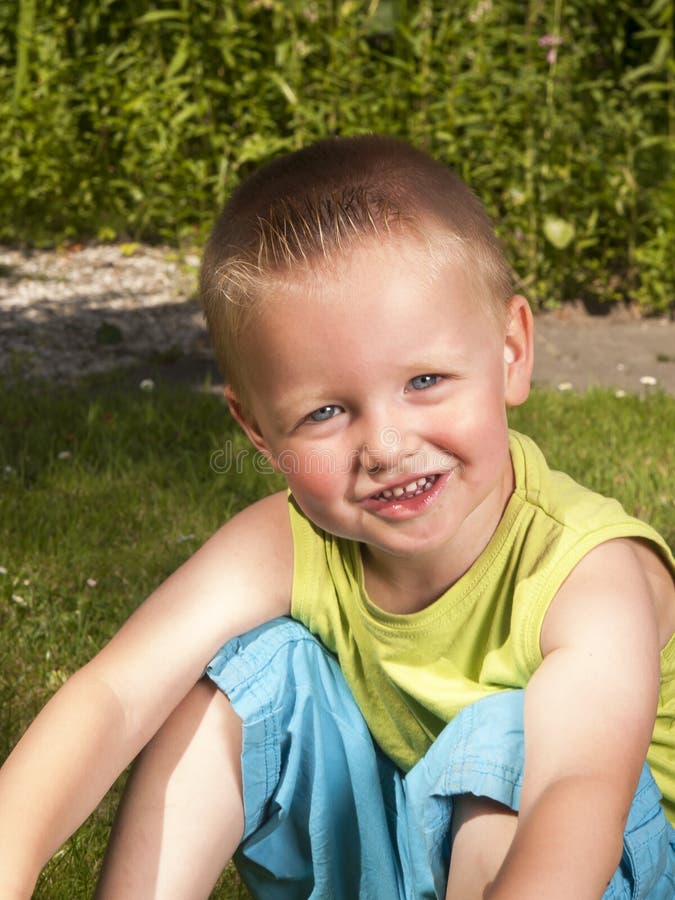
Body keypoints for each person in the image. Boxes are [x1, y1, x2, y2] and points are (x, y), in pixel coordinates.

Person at [1, 135, 674, 900]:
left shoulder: (589, 571)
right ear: (257, 429)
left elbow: (576, 793)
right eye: (325, 411)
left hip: (591, 871)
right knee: (234, 684)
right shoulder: (285, 543)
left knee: (507, 737)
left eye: (424, 379)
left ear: (511, 351)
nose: (385, 446)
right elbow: (114, 698)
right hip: (414, 858)